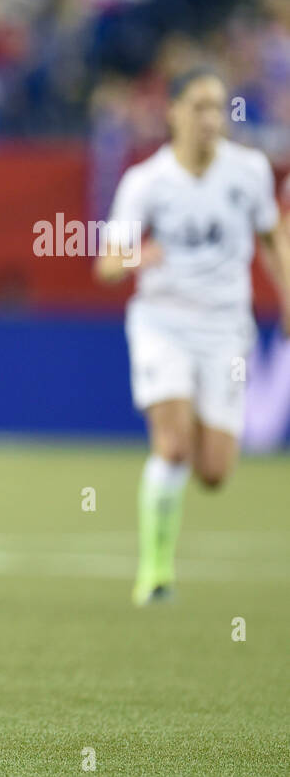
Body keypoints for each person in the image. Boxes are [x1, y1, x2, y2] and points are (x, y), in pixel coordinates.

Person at [96, 68, 290, 606]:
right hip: (163, 322)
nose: (211, 119)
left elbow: (273, 236)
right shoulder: (146, 182)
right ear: (174, 112)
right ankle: (155, 574)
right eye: (200, 107)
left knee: (213, 472)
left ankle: (161, 556)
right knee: (173, 445)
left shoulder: (248, 172)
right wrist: (139, 255)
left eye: (219, 108)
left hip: (227, 328)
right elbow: (107, 264)